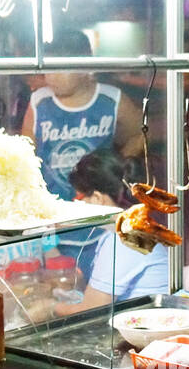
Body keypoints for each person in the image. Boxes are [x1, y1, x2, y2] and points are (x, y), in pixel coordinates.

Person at [21, 29, 145, 202]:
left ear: (83, 67)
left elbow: (140, 135)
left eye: (60, 69)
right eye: (48, 68)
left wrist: (114, 168)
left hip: (98, 205)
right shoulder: (39, 101)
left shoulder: (111, 99)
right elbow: (25, 155)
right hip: (53, 206)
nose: (51, 77)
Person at [53, 148, 169, 315]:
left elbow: (92, 310)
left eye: (78, 198)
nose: (76, 204)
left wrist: (50, 309)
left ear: (98, 198)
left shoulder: (125, 239)